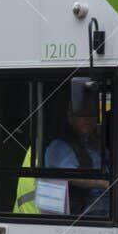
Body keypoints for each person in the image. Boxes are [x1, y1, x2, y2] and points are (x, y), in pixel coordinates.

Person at [44, 79, 111, 219]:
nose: (87, 120)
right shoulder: (59, 146)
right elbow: (69, 174)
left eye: (91, 115)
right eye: (81, 115)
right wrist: (104, 183)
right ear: (70, 118)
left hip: (110, 209)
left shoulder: (98, 145)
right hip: (85, 215)